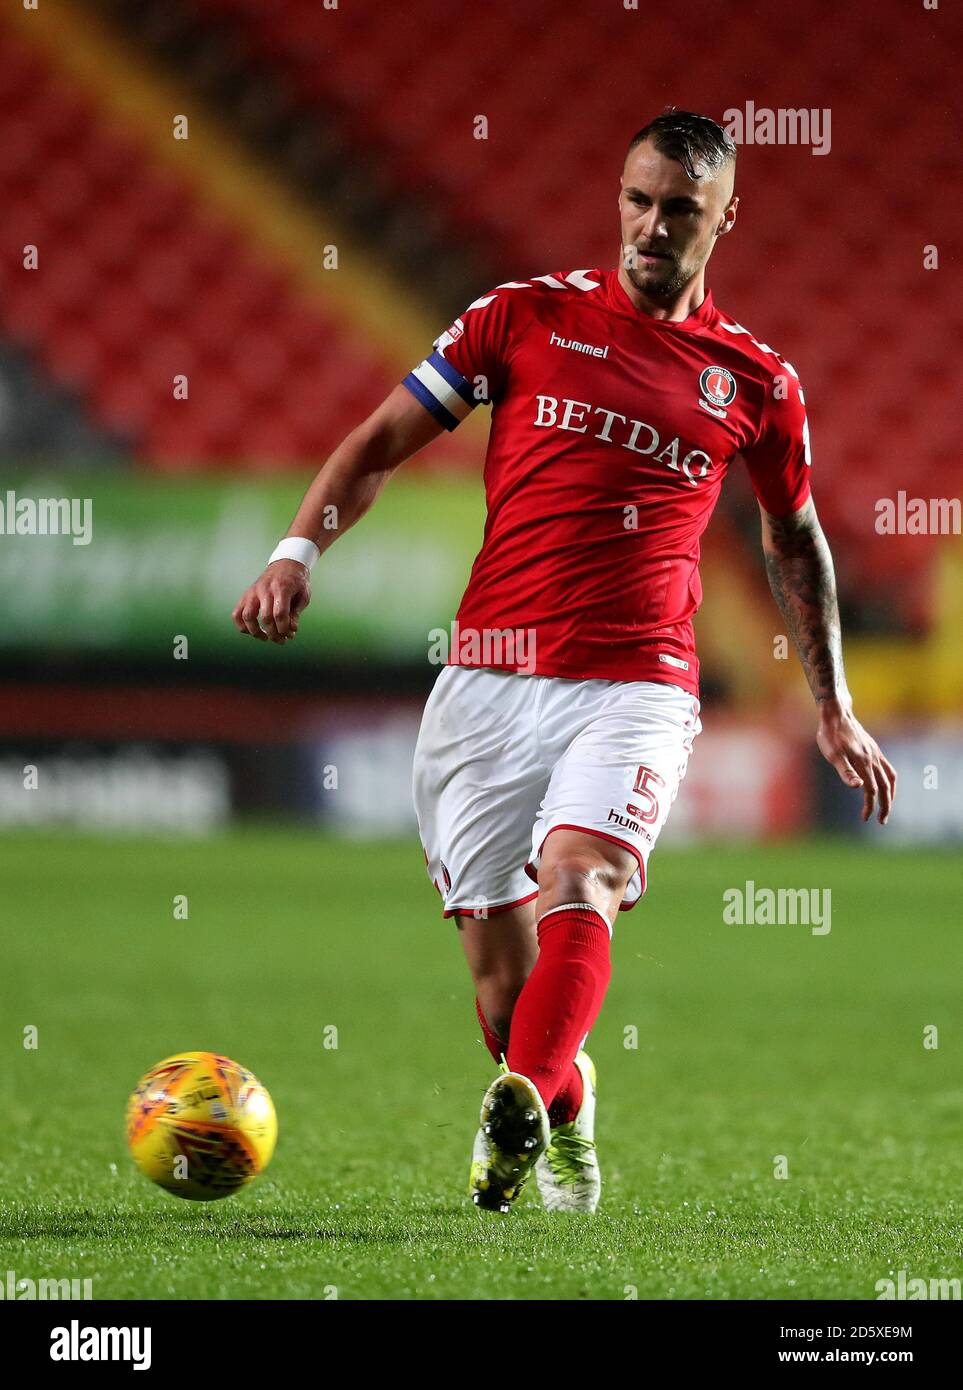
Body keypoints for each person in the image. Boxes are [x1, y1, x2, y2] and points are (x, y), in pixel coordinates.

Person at [232, 110, 896, 1215]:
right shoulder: (523, 317)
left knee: (581, 873)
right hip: (488, 682)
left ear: (726, 218)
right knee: (504, 993)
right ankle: (559, 1095)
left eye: (679, 209)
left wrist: (833, 707)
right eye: (637, 200)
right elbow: (380, 440)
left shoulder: (755, 383)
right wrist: (299, 551)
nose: (650, 225)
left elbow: (796, 541)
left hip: (639, 683)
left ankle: (518, 1111)